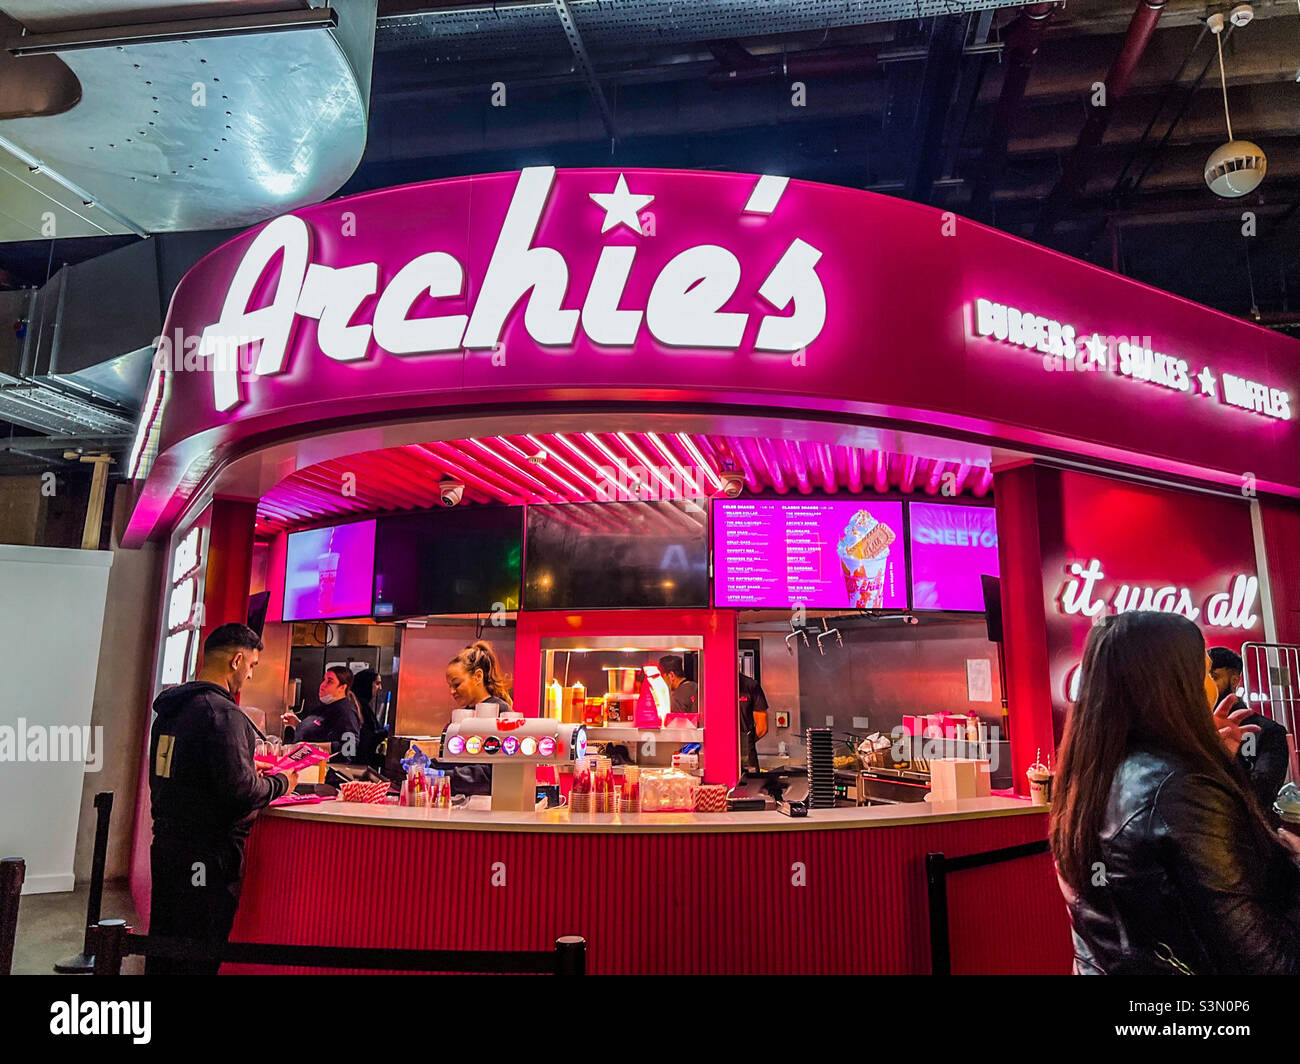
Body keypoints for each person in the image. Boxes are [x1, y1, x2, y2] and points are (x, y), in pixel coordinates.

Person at [1051, 611, 1300, 975]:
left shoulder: (1091, 775)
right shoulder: (1181, 790)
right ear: (1173, 686)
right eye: (1203, 673)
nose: (1212, 687)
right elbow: (1259, 958)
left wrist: (1212, 760)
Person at [148, 623, 298, 975]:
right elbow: (241, 793)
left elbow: (186, 770)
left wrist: (241, 766)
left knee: (165, 946)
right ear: (236, 660)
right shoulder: (223, 714)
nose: (249, 674)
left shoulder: (171, 709)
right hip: (207, 857)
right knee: (198, 952)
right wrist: (282, 781)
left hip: (168, 847)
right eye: (252, 665)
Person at [1209, 646, 1290, 813]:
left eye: (1214, 677)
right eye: (1201, 678)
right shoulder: (1191, 728)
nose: (1205, 686)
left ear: (1234, 681)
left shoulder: (1268, 731)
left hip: (1246, 830)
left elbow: (1262, 792)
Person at [442, 641, 512, 797]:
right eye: (449, 686)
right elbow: (458, 760)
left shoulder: (500, 711)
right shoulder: (463, 715)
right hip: (462, 802)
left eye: (457, 684)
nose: (452, 691)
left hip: (489, 804)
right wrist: (431, 764)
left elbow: (490, 772)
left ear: (478, 676)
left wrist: (443, 776)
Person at [283, 666, 363, 758]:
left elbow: (350, 746)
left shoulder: (346, 711)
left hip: (323, 767)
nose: (322, 685)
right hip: (303, 763)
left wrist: (309, 748)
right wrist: (297, 724)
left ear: (342, 687)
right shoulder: (325, 706)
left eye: (329, 681)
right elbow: (320, 732)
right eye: (324, 680)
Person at [353, 668, 387, 769]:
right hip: (358, 764)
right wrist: (385, 732)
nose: (380, 688)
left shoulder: (363, 704)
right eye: (377, 683)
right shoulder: (358, 705)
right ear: (366, 684)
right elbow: (366, 739)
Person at [738, 670, 769, 773]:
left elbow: (762, 727)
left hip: (747, 757)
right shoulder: (710, 685)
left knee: (750, 787)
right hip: (718, 755)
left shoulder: (750, 685)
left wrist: (745, 743)